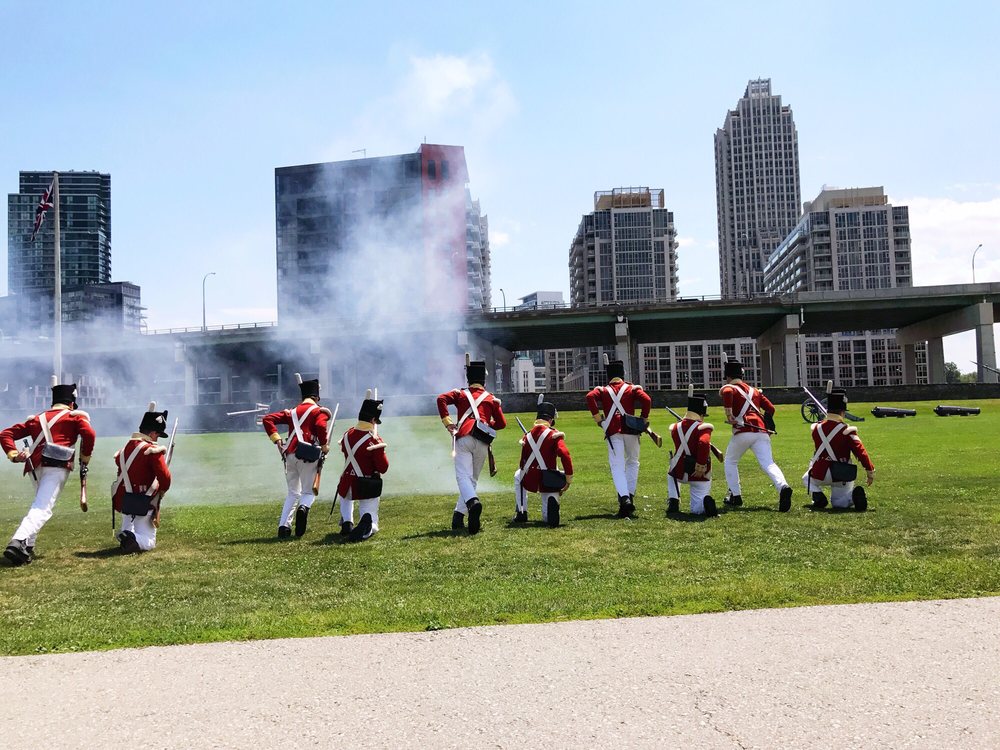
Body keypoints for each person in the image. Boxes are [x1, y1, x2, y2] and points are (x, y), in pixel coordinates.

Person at [1, 378, 95, 566]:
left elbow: (5, 434)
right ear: (71, 403)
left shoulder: (37, 418)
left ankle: (27, 546)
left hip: (34, 467)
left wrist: (13, 454)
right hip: (56, 465)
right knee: (42, 508)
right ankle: (18, 540)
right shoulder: (75, 417)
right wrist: (85, 458)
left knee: (39, 503)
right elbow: (89, 435)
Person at [437, 354, 507, 535]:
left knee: (462, 477)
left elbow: (441, 399)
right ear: (484, 379)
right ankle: (458, 516)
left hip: (464, 438)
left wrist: (448, 423)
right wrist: (485, 424)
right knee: (472, 480)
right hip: (483, 442)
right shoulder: (491, 398)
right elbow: (501, 424)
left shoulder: (461, 394)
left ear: (469, 379)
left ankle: (472, 503)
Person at [719, 354, 793, 512]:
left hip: (743, 431)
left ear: (729, 376)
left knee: (730, 462)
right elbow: (771, 409)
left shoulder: (729, 387)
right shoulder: (755, 391)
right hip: (761, 432)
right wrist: (767, 421)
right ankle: (783, 487)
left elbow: (726, 392)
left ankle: (735, 495)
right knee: (769, 463)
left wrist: (729, 414)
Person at [262, 375, 332, 539]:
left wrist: (277, 440)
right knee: (308, 492)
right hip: (308, 455)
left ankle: (283, 528)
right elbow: (321, 426)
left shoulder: (291, 412)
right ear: (316, 397)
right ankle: (304, 508)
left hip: (289, 455)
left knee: (293, 493)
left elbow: (267, 419)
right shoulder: (318, 411)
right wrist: (324, 445)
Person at [585, 354, 652, 518]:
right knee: (633, 463)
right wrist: (643, 419)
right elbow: (647, 400)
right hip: (632, 430)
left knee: (617, 466)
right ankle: (629, 495)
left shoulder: (603, 390)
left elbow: (589, 397)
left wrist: (598, 418)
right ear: (623, 374)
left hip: (613, 430)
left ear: (609, 376)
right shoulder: (633, 388)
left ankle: (624, 498)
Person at [111, 402, 172, 553]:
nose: (157, 439)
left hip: (126, 500)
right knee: (149, 542)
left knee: (130, 528)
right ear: (152, 433)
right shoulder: (152, 451)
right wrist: (161, 491)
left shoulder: (125, 449)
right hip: (144, 501)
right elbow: (165, 478)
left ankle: (127, 535)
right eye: (157, 435)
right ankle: (131, 537)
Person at [803, 384, 875, 511]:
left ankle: (818, 497)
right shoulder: (847, 430)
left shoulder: (816, 429)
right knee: (840, 504)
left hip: (821, 473)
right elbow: (860, 451)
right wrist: (870, 471)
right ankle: (853, 498)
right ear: (842, 411)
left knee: (806, 478)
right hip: (842, 473)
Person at [336, 392, 389, 542]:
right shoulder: (374, 440)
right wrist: (380, 448)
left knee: (345, 497)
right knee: (371, 519)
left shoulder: (347, 433)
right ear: (373, 419)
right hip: (365, 484)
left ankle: (347, 521)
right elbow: (383, 467)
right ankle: (367, 526)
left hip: (347, 482)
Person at [513, 396, 573, 528]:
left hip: (531, 479)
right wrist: (568, 479)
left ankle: (522, 510)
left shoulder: (527, 435)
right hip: (549, 480)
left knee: (518, 476)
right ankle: (552, 502)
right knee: (547, 516)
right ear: (551, 420)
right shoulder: (554, 434)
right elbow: (565, 454)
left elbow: (522, 463)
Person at [666, 387, 718, 517]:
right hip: (698, 474)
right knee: (697, 510)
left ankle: (673, 500)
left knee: (670, 473)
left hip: (679, 472)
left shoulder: (675, 428)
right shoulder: (703, 428)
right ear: (700, 414)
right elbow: (704, 443)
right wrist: (700, 465)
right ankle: (703, 506)